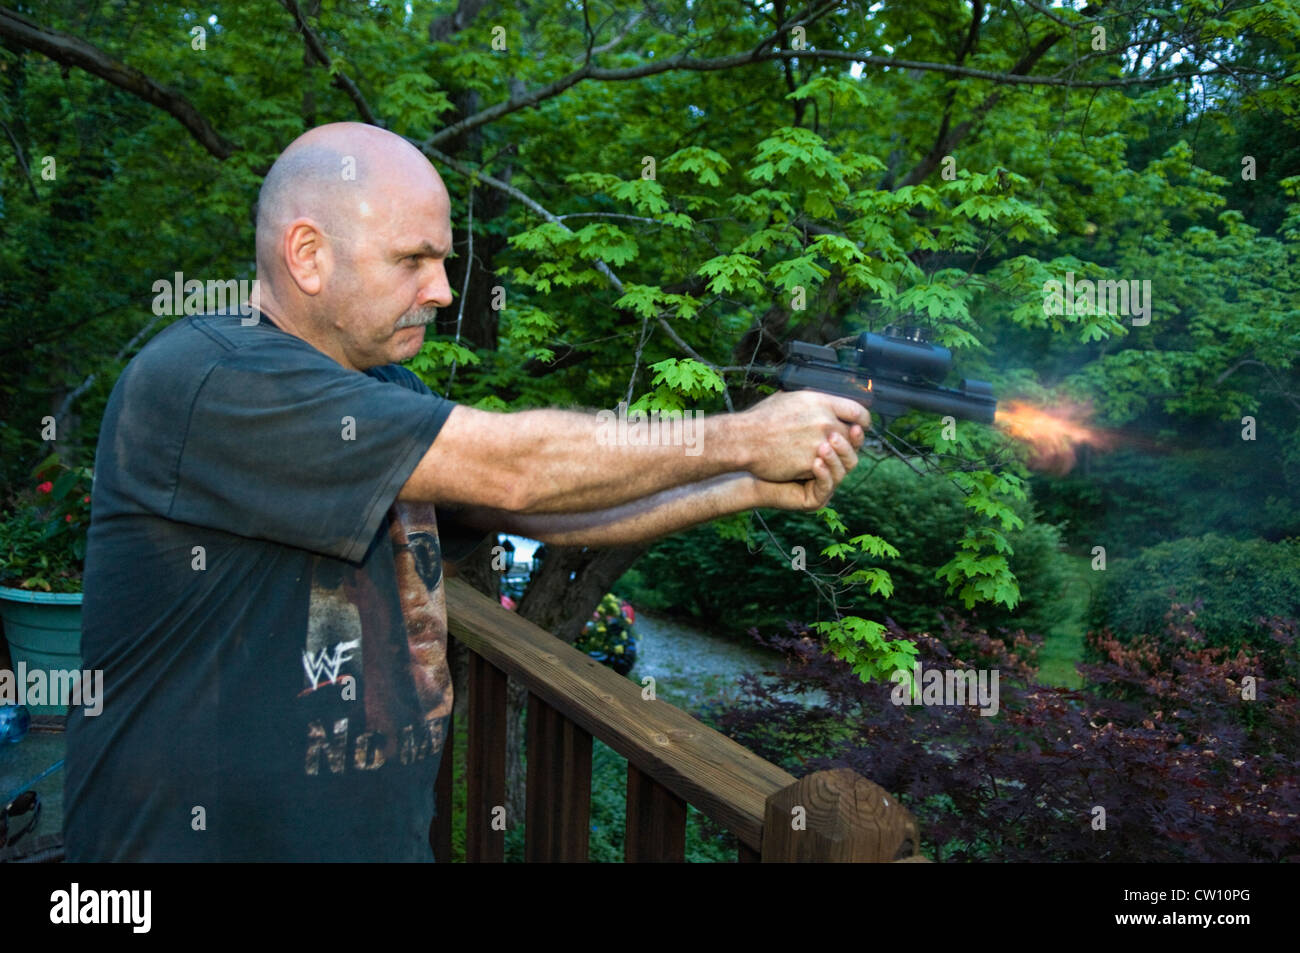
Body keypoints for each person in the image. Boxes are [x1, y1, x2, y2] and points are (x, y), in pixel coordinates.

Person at [63, 122, 868, 861]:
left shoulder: (381, 388)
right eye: (413, 260)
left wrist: (746, 481)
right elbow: (513, 465)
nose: (444, 290)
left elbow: (535, 506)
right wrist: (741, 435)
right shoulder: (211, 381)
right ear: (307, 254)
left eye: (443, 261)